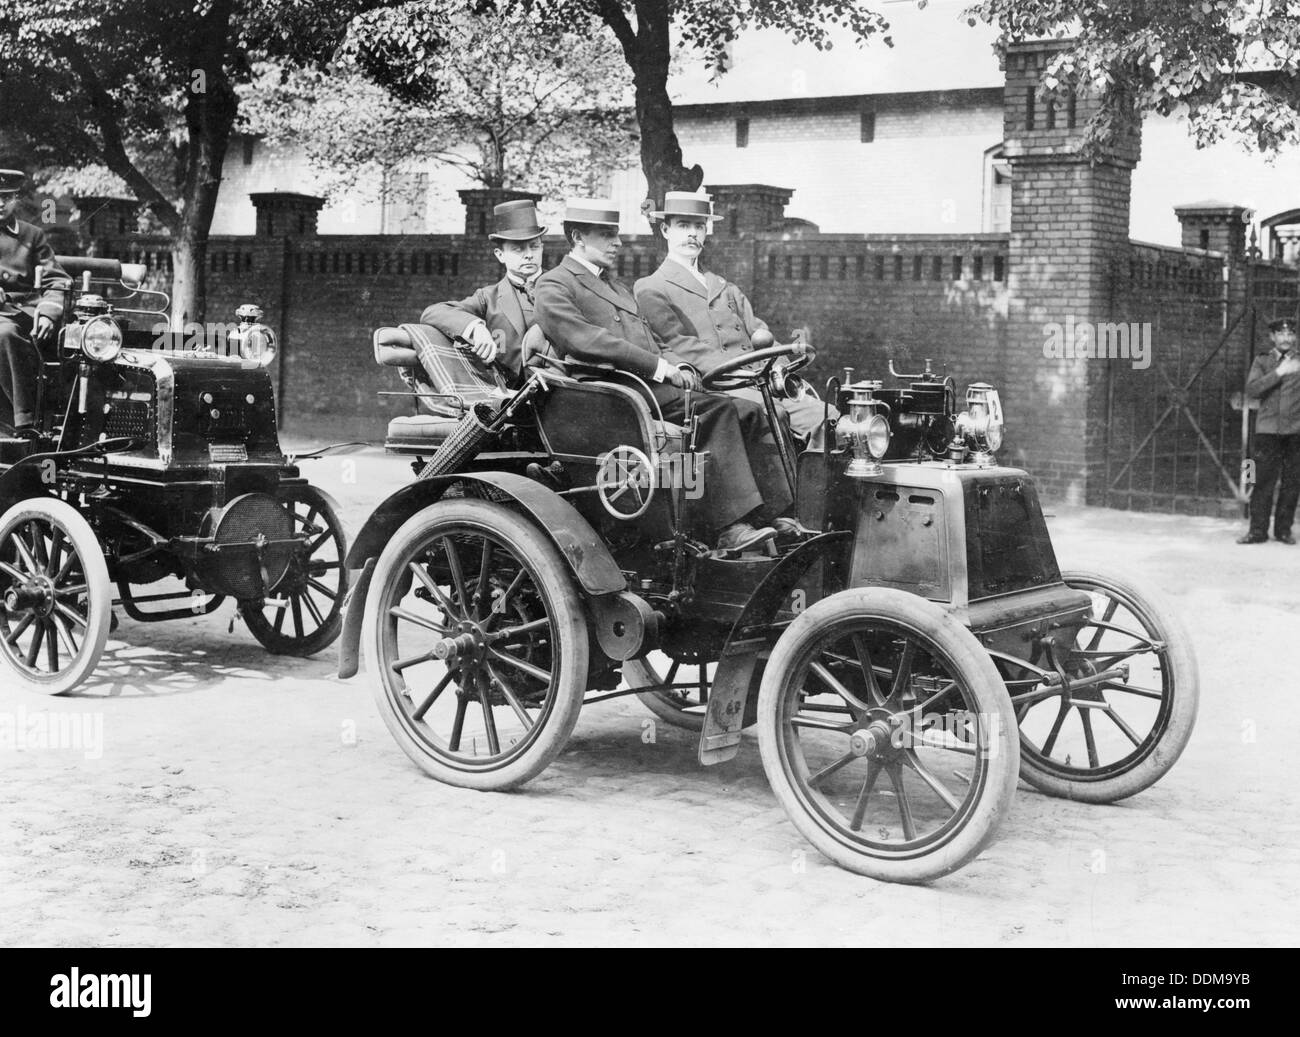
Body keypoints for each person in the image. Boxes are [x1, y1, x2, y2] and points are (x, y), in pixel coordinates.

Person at [533, 198, 793, 551]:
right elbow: (587, 340)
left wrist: (677, 365)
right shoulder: (555, 284)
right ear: (578, 237)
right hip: (608, 394)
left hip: (643, 387)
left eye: (616, 234)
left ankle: (771, 515)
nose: (618, 243)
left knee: (747, 410)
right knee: (719, 411)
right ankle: (731, 526)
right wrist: (659, 367)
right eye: (607, 235)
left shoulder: (616, 286)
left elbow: (654, 339)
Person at [635, 191, 837, 447]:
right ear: (665, 230)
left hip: (759, 381)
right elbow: (678, 344)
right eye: (683, 226)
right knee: (780, 417)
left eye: (699, 226)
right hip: (715, 385)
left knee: (829, 416)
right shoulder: (652, 287)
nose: (692, 234)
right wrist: (740, 372)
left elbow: (760, 333)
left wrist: (781, 370)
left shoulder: (724, 286)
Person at [420, 199, 548, 387]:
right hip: (512, 396)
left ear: (542, 248)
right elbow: (434, 312)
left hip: (558, 391)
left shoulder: (561, 287)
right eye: (518, 249)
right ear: (500, 255)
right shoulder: (489, 297)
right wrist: (476, 328)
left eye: (534, 246)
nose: (528, 254)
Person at [0, 169, 70, 437]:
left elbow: (57, 280)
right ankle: (24, 421)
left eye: (6, 197)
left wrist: (48, 313)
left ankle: (41, 427)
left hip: (25, 314)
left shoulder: (32, 235)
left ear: (16, 198)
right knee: (3, 333)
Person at [1239, 315, 1300, 545]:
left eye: (1290, 333)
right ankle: (1257, 531)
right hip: (1267, 431)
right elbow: (1252, 389)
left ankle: (1283, 530)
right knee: (1262, 480)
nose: (1286, 338)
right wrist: (1279, 373)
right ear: (1273, 337)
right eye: (1281, 334)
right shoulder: (1262, 361)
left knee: (1292, 482)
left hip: (1295, 432)